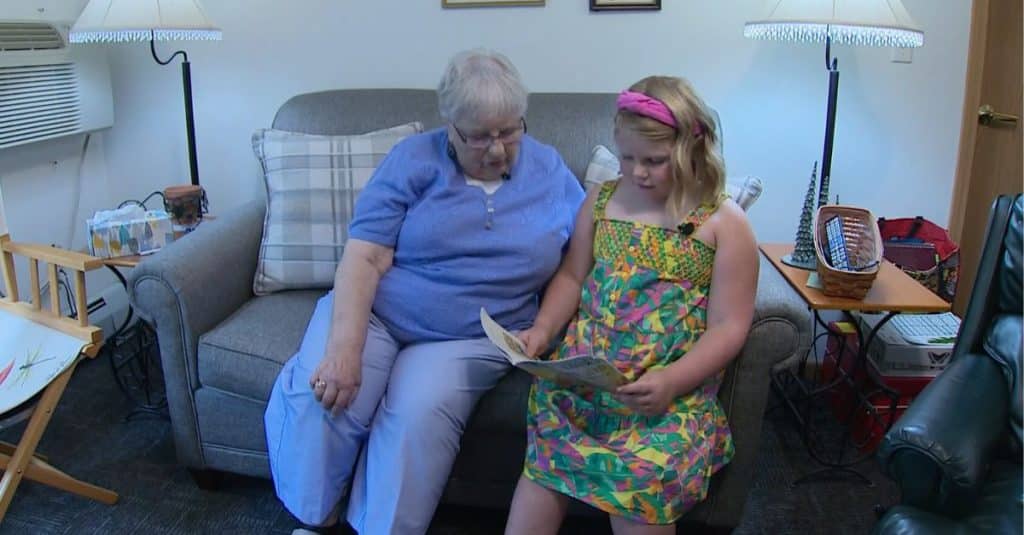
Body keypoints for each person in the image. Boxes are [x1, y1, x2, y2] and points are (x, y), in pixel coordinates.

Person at [263, 49, 585, 535]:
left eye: (509, 131)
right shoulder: (411, 159)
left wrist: (542, 330)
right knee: (325, 393)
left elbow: (576, 264)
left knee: (418, 416)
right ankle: (316, 517)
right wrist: (345, 350)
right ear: (449, 126)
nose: (496, 150)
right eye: (478, 136)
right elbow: (365, 256)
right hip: (378, 315)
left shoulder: (551, 171)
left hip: (473, 335)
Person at [504, 76, 759, 535]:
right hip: (584, 386)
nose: (637, 172)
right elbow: (571, 276)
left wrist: (670, 381)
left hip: (664, 398)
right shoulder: (601, 202)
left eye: (654, 161)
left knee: (641, 483)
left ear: (691, 149)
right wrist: (542, 331)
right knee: (543, 469)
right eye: (627, 158)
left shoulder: (722, 223)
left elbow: (729, 327)